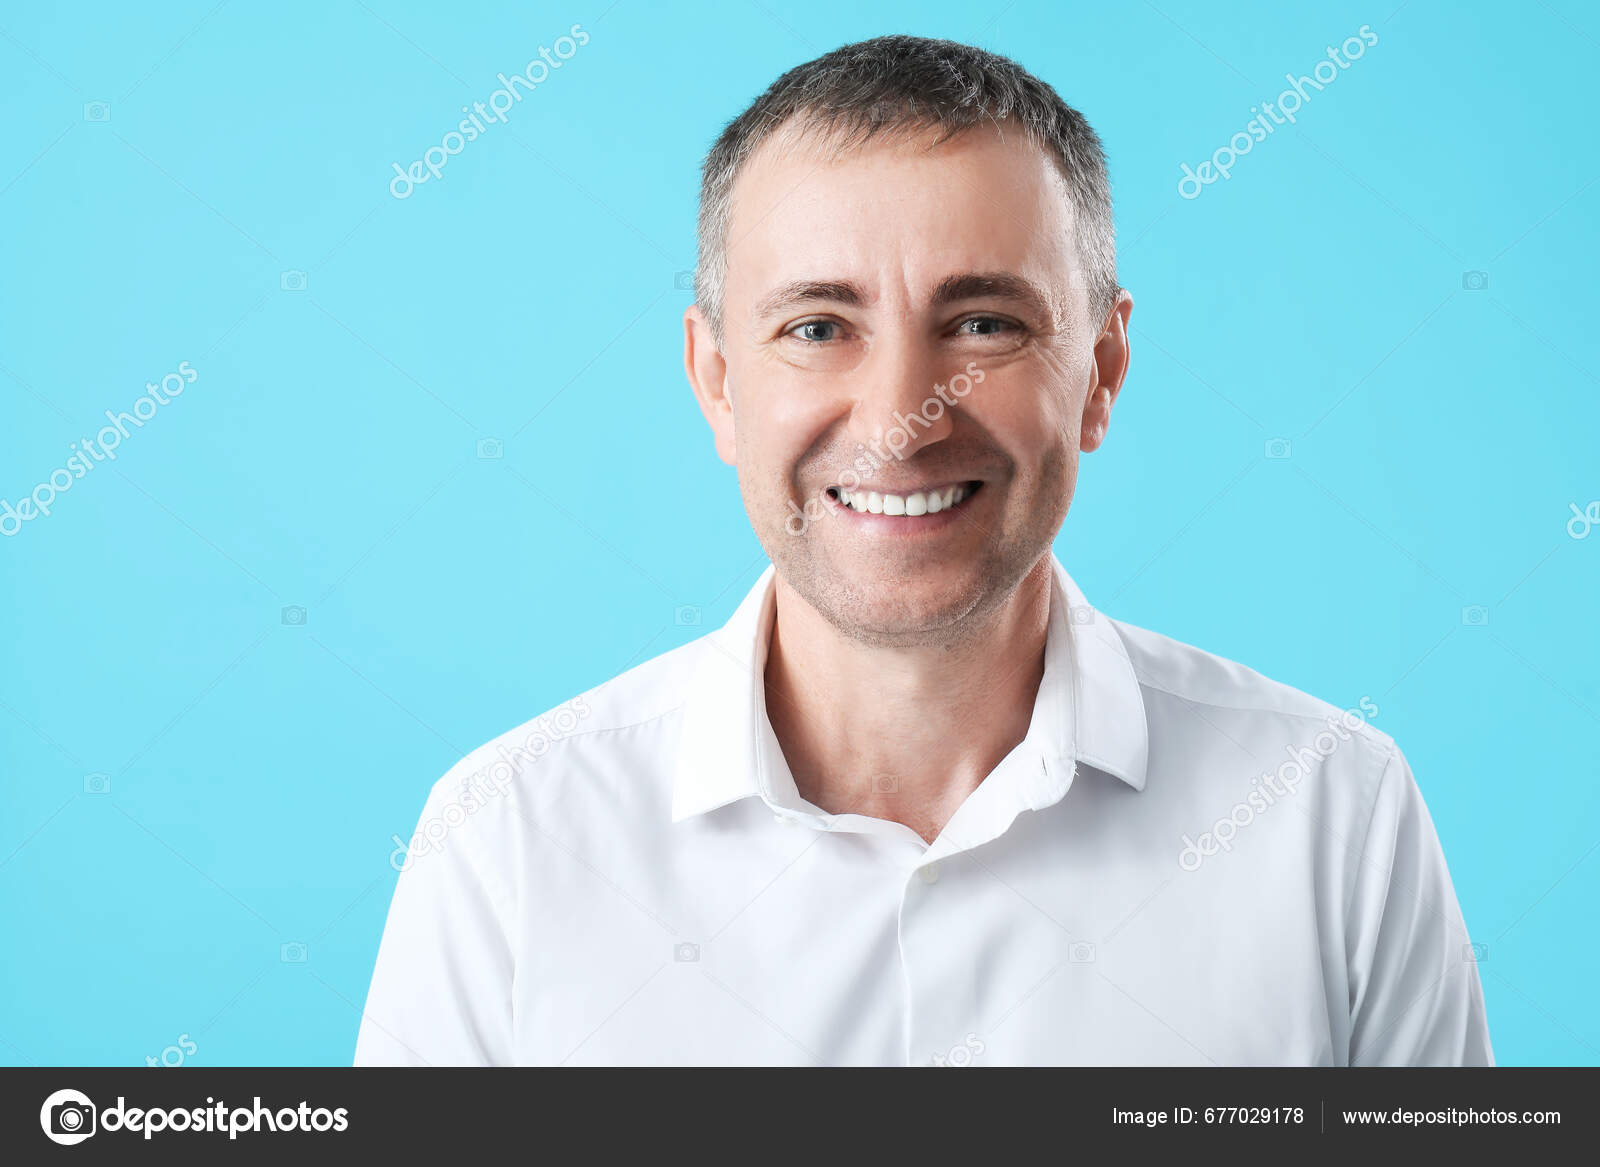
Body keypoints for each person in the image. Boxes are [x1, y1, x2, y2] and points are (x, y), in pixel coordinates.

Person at [356, 34, 1491, 1066]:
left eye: (983, 323)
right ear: (715, 383)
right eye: (816, 328)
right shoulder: (507, 840)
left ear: (1099, 372)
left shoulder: (1330, 813)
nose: (901, 413)